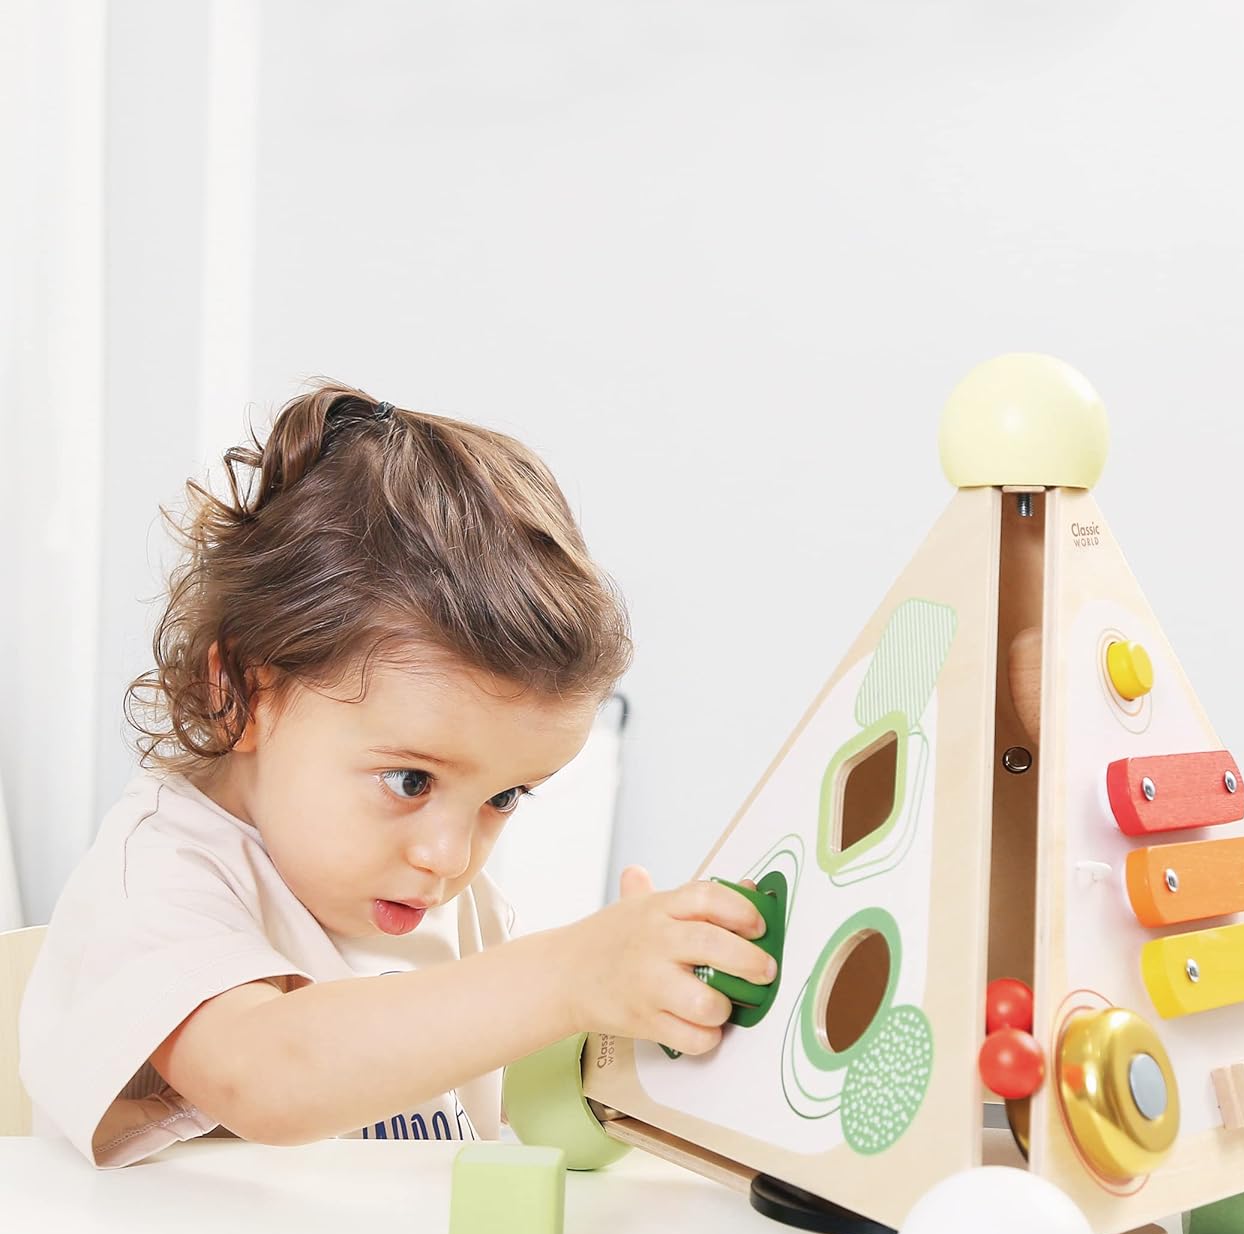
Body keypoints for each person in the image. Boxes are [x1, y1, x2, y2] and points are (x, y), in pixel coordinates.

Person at [18, 383, 772, 1167]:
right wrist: (568, 973)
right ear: (241, 693)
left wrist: (624, 1042)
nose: (449, 858)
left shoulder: (434, 902)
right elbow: (264, 1075)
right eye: (411, 781)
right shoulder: (159, 877)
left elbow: (506, 1103)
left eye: (504, 797)